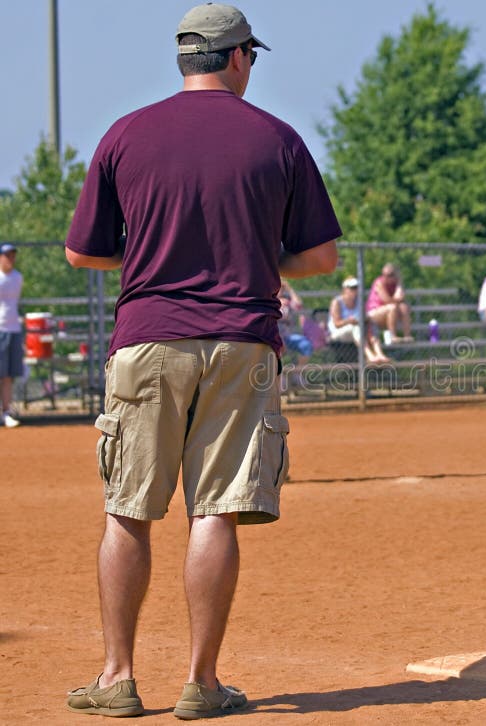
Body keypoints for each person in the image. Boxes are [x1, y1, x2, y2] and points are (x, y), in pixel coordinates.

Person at [63, 3, 340, 719]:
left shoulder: (126, 134)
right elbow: (320, 258)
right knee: (214, 511)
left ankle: (117, 679)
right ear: (238, 56)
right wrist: (257, 261)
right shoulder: (277, 139)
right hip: (242, 340)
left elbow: (81, 252)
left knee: (128, 509)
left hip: (148, 338)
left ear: (185, 59)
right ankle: (202, 683)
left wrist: (149, 259)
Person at [329, 277, 389, 363]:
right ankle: (369, 355)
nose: (355, 290)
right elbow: (337, 324)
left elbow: (364, 317)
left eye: (356, 287)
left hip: (358, 331)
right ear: (345, 289)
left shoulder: (360, 301)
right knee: (355, 327)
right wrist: (349, 321)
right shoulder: (337, 302)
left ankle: (379, 353)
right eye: (352, 288)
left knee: (371, 325)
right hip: (338, 333)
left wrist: (365, 319)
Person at [0, 243, 23, 428]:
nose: (10, 258)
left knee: (8, 375)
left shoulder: (18, 277)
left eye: (12, 255)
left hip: (14, 329)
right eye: (7, 255)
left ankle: (6, 412)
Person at [366, 263, 413, 345]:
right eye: (384, 274)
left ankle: (407, 336)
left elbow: (400, 297)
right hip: (374, 313)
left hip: (390, 314)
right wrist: (397, 300)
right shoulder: (379, 283)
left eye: (390, 275)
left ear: (395, 276)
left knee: (404, 307)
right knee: (392, 307)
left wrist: (399, 283)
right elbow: (386, 300)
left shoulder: (396, 283)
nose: (386, 277)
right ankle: (393, 337)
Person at [278, 279, 314, 385]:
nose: (280, 290)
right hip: (273, 337)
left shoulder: (287, 301)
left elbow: (298, 304)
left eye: (282, 288)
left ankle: (297, 374)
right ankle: (280, 376)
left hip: (287, 336)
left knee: (305, 345)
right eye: (278, 287)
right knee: (276, 347)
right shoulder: (268, 300)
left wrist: (289, 289)